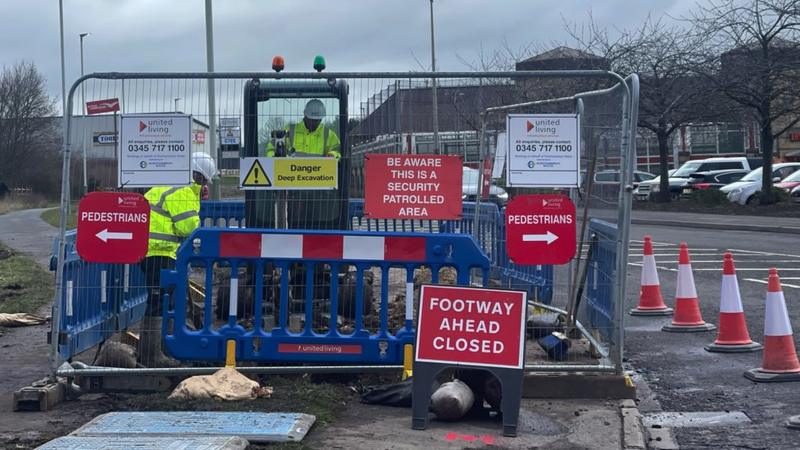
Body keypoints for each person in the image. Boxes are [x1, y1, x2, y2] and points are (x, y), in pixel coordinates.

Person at [138, 152, 217, 367]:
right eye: (204, 181)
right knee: (159, 300)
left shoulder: (173, 183)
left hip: (152, 251)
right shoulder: (182, 190)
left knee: (164, 300)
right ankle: (151, 355)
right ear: (199, 177)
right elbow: (188, 227)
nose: (204, 187)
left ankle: (161, 351)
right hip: (159, 251)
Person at [266, 99, 341, 158]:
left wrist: (333, 155)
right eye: (311, 120)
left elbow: (338, 150)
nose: (314, 123)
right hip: (290, 175)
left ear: (321, 119)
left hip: (319, 176)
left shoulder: (328, 134)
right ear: (305, 115)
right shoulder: (290, 130)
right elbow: (272, 147)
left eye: (317, 120)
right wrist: (273, 157)